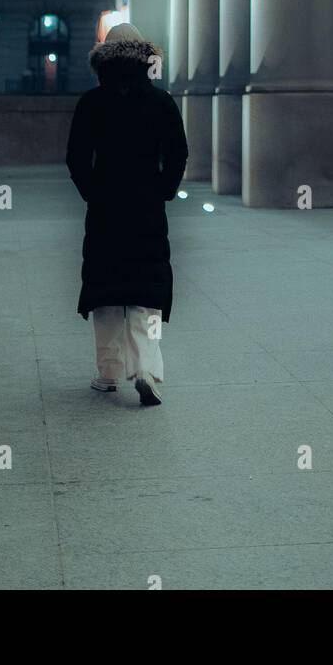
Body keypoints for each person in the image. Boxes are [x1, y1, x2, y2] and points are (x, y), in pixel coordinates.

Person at [65, 22, 188, 405]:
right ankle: (146, 368)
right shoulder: (161, 101)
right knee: (145, 289)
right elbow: (178, 153)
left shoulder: (91, 102)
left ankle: (109, 372)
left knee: (106, 291)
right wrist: (163, 189)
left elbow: (76, 158)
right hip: (146, 206)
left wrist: (92, 192)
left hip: (106, 207)